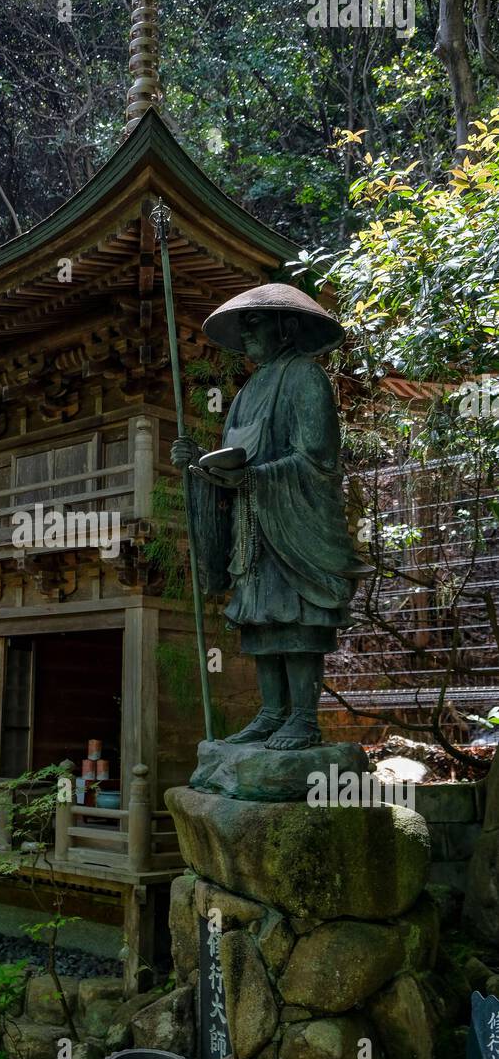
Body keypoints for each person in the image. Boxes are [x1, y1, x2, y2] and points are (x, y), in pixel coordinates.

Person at [171, 284, 370, 751]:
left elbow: (317, 459)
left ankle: (302, 717)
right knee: (260, 618)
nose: (246, 333)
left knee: (295, 618)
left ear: (287, 326)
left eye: (255, 322)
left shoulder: (306, 377)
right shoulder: (245, 394)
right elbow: (232, 459)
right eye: (243, 325)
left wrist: (254, 478)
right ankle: (272, 712)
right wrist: (199, 463)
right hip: (251, 523)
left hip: (290, 519)